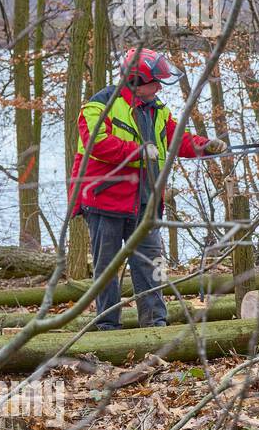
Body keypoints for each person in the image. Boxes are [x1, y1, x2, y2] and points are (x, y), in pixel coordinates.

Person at [69, 48, 228, 330]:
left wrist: (205, 146)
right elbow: (98, 144)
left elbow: (178, 139)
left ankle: (155, 325)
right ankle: (107, 328)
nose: (159, 87)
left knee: (152, 267)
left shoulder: (157, 110)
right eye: (155, 82)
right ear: (136, 81)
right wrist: (139, 151)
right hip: (105, 202)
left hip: (145, 203)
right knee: (106, 270)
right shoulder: (97, 107)